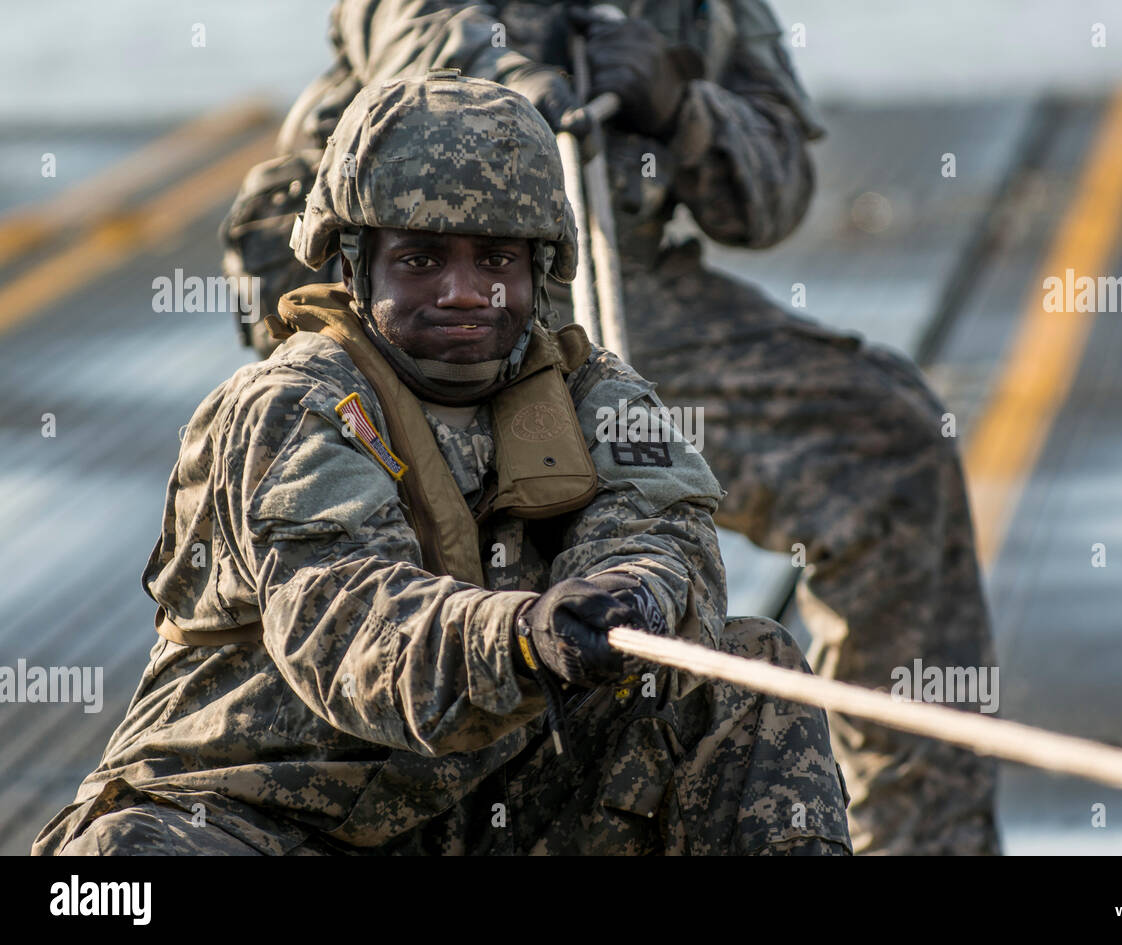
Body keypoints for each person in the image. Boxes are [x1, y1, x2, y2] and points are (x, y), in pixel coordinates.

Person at [221, 0, 999, 855]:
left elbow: (770, 196)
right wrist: (516, 90)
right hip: (390, 284)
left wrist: (680, 105)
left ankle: (926, 839)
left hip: (588, 269)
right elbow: (410, 32)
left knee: (889, 449)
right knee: (342, 543)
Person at [32, 72, 851, 856]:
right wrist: (523, 635)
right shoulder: (290, 406)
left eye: (495, 260)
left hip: (473, 809)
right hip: (257, 812)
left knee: (751, 674)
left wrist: (627, 593)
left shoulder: (596, 396)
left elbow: (666, 540)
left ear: (538, 270)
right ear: (356, 267)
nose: (464, 291)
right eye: (422, 260)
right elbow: (353, 630)